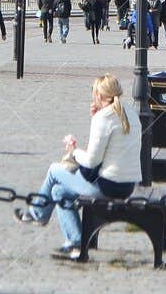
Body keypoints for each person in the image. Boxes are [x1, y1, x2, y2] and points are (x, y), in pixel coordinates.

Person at [15, 74, 143, 261]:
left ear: (99, 95)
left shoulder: (103, 118)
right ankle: (75, 243)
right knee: (58, 191)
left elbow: (91, 161)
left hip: (107, 186)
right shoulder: (130, 113)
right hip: (128, 185)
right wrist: (95, 118)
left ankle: (38, 213)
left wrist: (74, 151)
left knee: (54, 169)